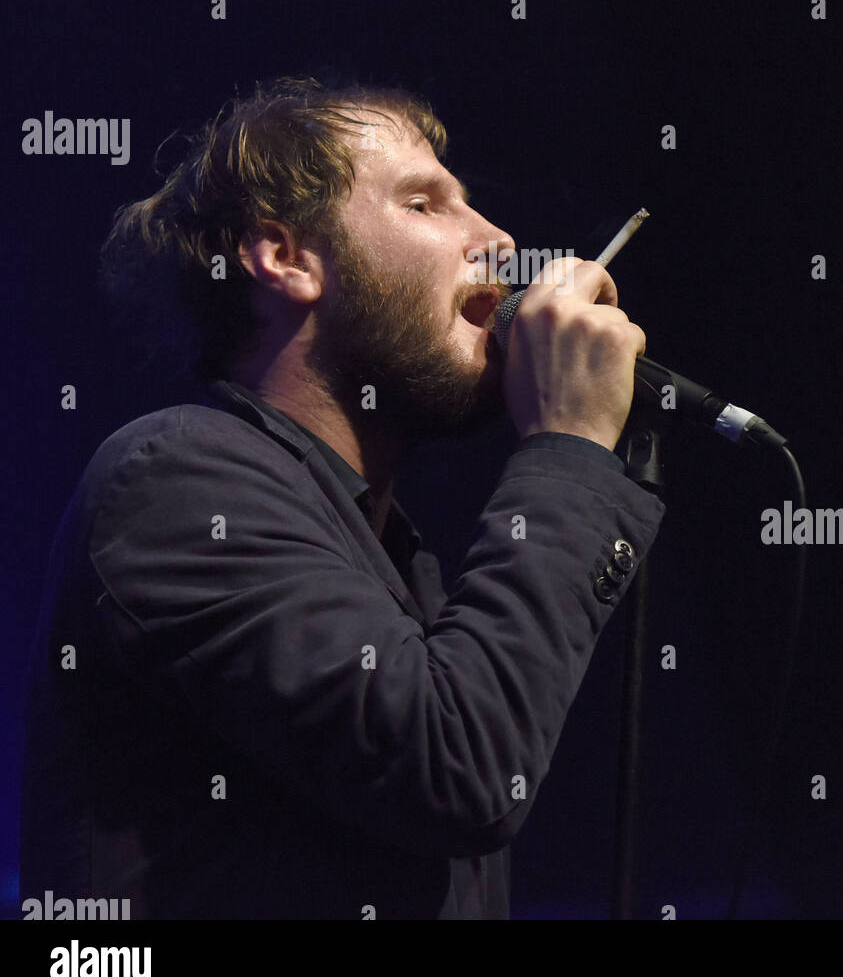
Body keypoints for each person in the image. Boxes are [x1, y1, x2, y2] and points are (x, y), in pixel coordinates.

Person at [19, 76, 666, 919]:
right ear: (284, 258)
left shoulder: (395, 554)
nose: (499, 240)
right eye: (426, 204)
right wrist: (570, 447)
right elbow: (460, 769)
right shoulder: (174, 478)